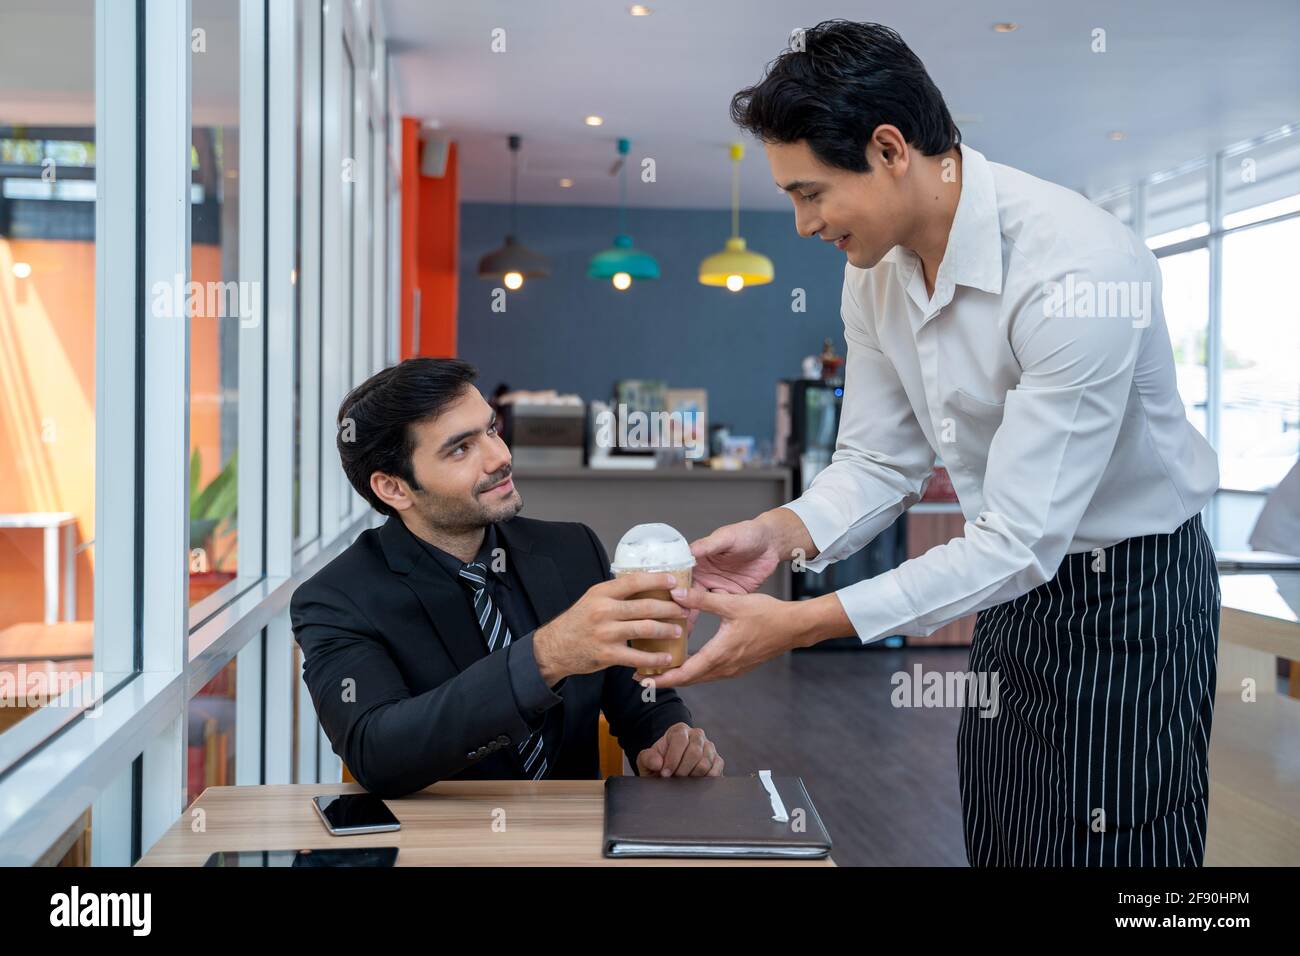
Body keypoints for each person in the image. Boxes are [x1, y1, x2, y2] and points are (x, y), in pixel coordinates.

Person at [653, 20, 1220, 867]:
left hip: (1131, 595)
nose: (804, 224)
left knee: (1117, 845)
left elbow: (1023, 538)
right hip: (1007, 589)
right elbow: (881, 460)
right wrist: (781, 534)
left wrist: (803, 624)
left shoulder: (1081, 271)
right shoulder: (872, 268)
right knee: (1002, 828)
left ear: (890, 149)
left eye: (811, 193)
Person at [291, 358, 723, 798]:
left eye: (491, 430)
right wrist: (543, 658)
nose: (501, 457)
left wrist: (669, 735)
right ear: (394, 488)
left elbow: (636, 698)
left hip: (573, 846)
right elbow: (376, 752)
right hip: (439, 851)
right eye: (461, 448)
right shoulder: (336, 598)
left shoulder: (572, 551)